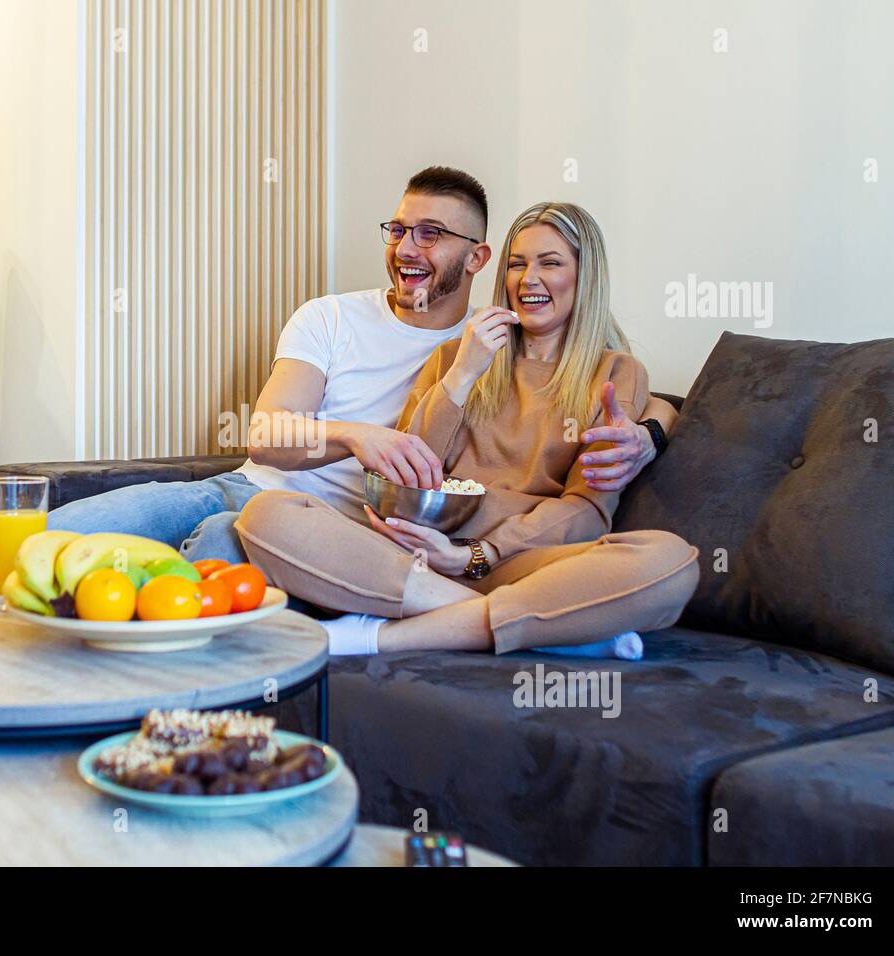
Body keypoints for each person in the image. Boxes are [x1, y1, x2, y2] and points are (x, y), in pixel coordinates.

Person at [48, 168, 677, 562]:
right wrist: (356, 436)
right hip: (248, 488)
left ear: (476, 257)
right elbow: (265, 435)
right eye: (398, 230)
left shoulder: (491, 347)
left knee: (208, 555)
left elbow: (631, 399)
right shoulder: (332, 317)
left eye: (430, 233)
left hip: (342, 531)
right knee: (52, 535)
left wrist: (653, 431)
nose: (406, 248)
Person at [234, 202, 700, 657]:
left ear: (585, 277)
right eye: (517, 264)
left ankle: (381, 636)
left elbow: (587, 510)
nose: (528, 279)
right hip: (415, 558)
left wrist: (479, 553)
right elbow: (407, 476)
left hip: (524, 562)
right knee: (267, 515)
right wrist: (461, 376)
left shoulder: (616, 373)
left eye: (550, 263)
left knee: (670, 562)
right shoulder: (455, 357)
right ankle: (549, 627)